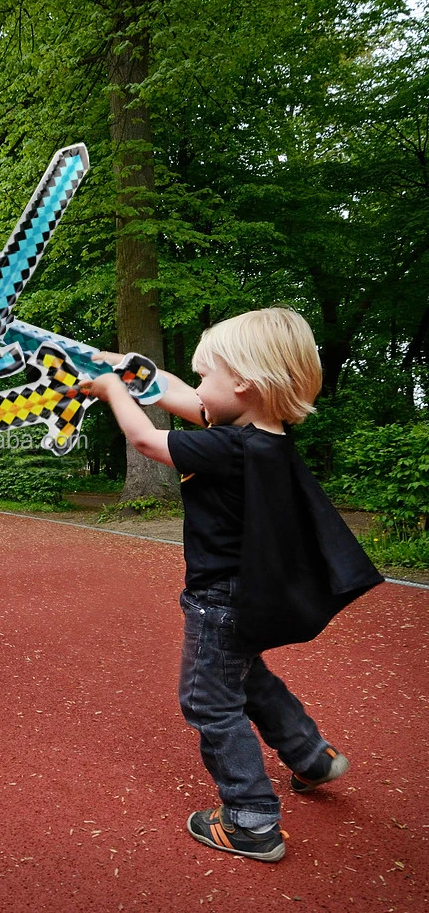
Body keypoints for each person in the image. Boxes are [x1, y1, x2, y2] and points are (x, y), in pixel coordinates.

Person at [81, 308, 383, 863]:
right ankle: (310, 756)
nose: (198, 388)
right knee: (249, 678)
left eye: (207, 375)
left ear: (242, 382)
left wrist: (110, 391)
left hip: (218, 602)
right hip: (250, 596)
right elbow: (178, 394)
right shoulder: (264, 438)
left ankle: (251, 819)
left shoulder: (226, 447)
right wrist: (127, 368)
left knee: (209, 702)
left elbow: (145, 440)